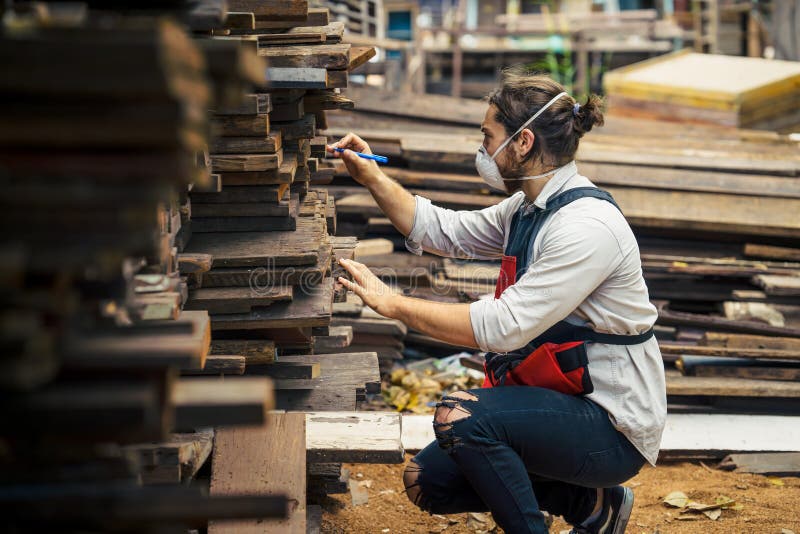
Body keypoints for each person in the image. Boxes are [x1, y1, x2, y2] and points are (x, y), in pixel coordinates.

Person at [327, 69, 667, 534]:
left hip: (611, 423)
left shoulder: (585, 226)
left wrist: (395, 304)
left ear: (523, 142)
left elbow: (504, 326)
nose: (483, 148)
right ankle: (592, 504)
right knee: (426, 481)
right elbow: (441, 230)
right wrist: (371, 175)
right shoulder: (527, 208)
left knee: (459, 417)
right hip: (563, 400)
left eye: (489, 136)